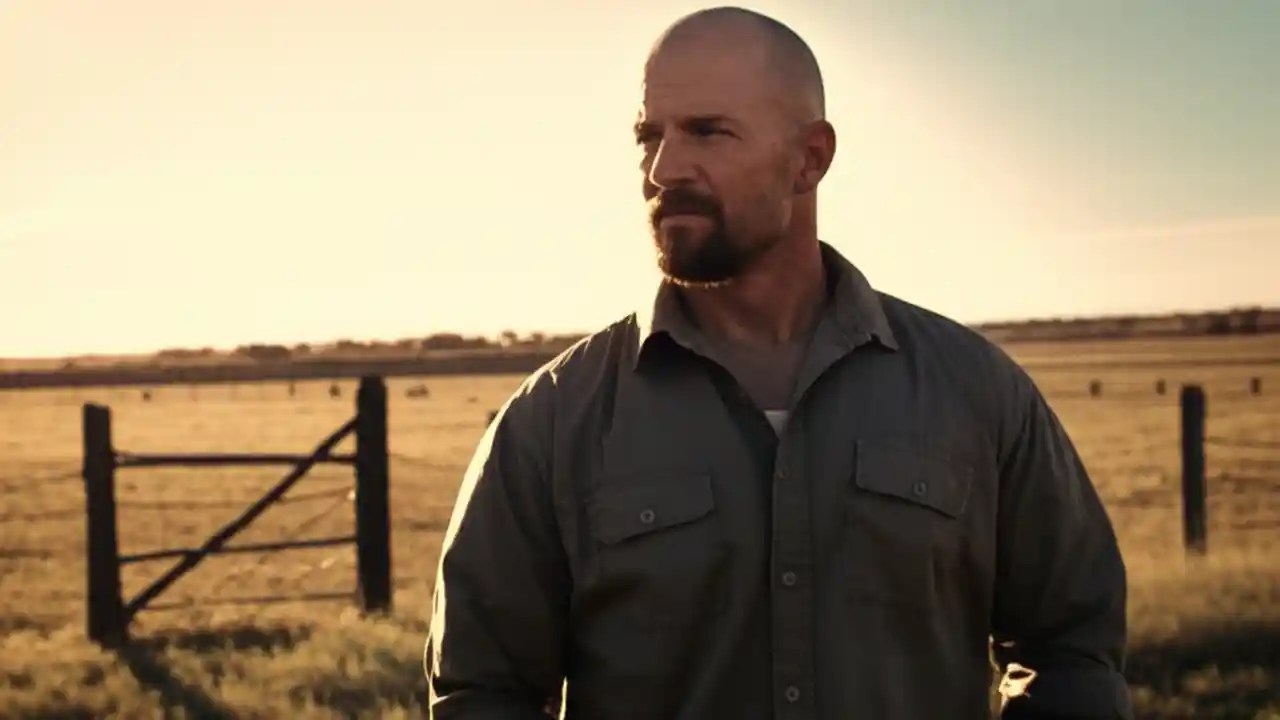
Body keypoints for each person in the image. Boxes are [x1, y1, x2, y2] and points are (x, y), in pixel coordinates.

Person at [424, 6, 1133, 719]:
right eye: (649, 135)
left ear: (810, 159)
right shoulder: (553, 420)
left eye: (708, 131)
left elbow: (1070, 645)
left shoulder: (977, 392)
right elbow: (482, 693)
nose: (662, 168)